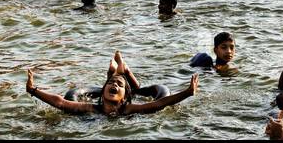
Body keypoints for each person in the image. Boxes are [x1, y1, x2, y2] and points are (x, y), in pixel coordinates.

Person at [25, 51, 198, 116]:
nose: (114, 86)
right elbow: (60, 102)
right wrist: (33, 90)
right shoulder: (92, 108)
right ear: (103, 90)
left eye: (119, 85)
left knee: (134, 87)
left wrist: (187, 92)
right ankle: (119, 71)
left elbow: (159, 103)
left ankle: (121, 70)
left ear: (124, 98)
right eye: (111, 83)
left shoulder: (128, 109)